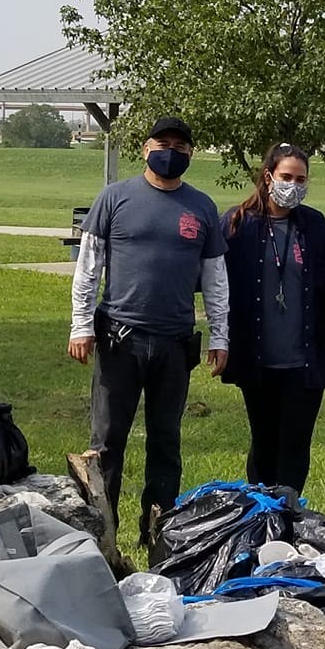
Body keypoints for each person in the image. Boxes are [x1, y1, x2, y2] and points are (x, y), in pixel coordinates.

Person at [68, 116, 229, 545]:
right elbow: (88, 269)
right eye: (164, 142)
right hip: (120, 339)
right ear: (145, 147)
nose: (171, 151)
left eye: (181, 144)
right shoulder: (115, 198)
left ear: (191, 153)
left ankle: (159, 535)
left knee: (166, 443)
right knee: (106, 444)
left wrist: (220, 335)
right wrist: (80, 325)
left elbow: (215, 278)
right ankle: (100, 534)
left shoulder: (202, 208)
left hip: (175, 343)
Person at [219, 142, 325, 494]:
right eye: (286, 177)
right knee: (264, 442)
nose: (293, 185)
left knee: (296, 444)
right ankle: (260, 513)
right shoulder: (237, 222)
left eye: (301, 179)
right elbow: (214, 283)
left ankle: (289, 513)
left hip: (304, 360)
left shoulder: (313, 224)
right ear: (268, 176)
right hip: (257, 358)